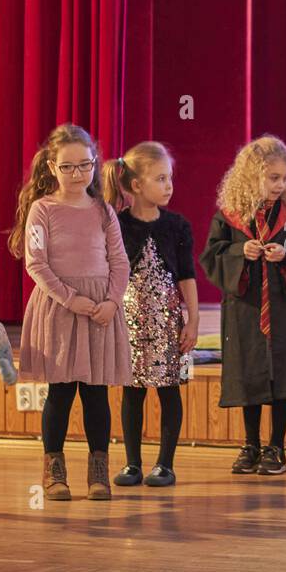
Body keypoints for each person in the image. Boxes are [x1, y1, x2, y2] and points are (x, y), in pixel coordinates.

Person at [10, 124, 131, 502]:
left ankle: (99, 469)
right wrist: (69, 298)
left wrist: (112, 301)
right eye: (68, 167)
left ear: (95, 164)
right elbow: (36, 263)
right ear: (51, 166)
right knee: (60, 393)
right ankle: (54, 469)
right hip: (61, 309)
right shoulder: (41, 210)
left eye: (85, 165)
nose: (77, 174)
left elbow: (120, 262)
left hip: (100, 310)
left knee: (96, 394)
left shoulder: (103, 210)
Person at [200, 136, 286, 475]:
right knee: (249, 374)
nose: (281, 184)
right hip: (245, 309)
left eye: (284, 177)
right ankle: (250, 444)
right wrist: (239, 252)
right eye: (273, 177)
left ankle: (275, 445)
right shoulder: (230, 216)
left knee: (283, 375)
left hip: (281, 307)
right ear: (251, 177)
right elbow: (211, 255)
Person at [102, 143, 198, 487]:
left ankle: (165, 464)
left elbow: (187, 275)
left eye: (170, 177)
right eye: (160, 178)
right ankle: (132, 463)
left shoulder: (177, 225)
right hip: (129, 319)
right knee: (133, 391)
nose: (169, 185)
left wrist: (194, 321)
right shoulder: (118, 224)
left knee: (169, 389)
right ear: (137, 185)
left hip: (168, 319)